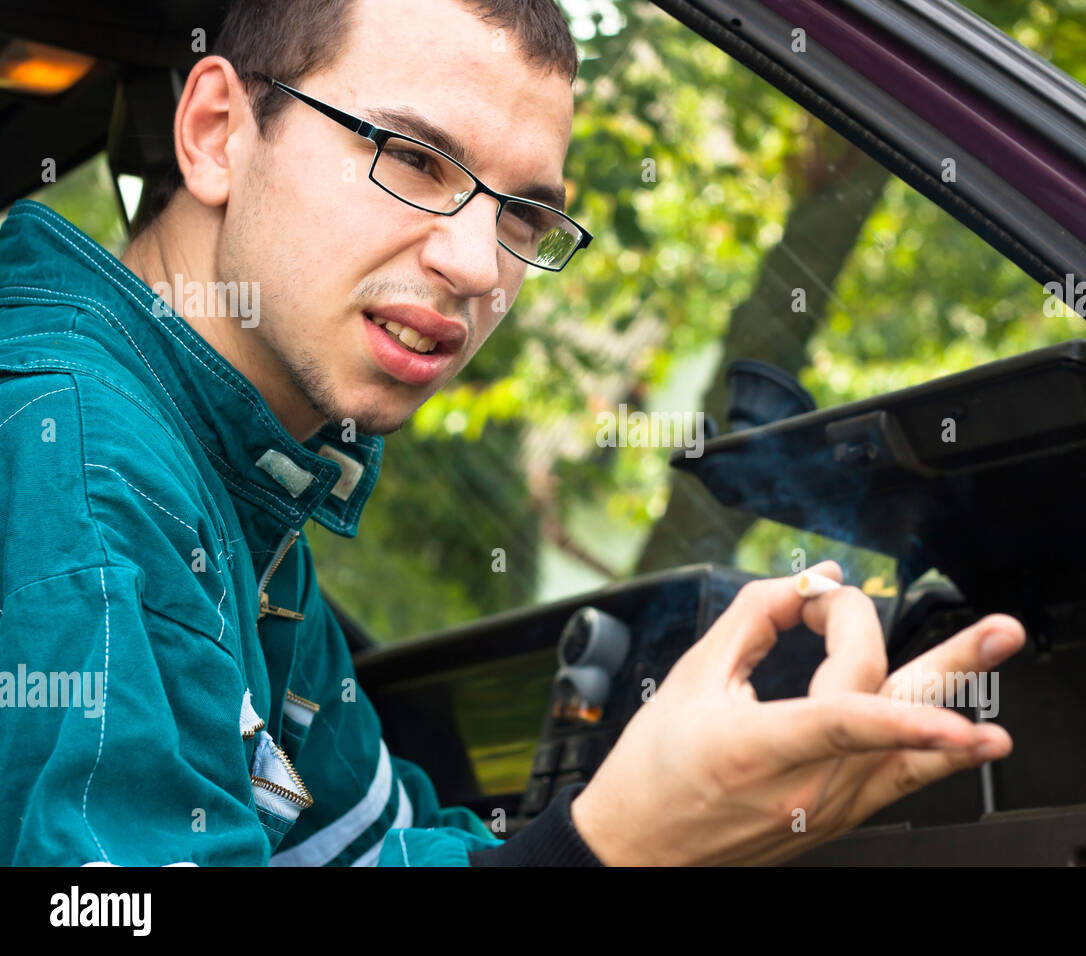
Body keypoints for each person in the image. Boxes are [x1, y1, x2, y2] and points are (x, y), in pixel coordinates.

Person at [0, 0, 1024, 866]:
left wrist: (669, 816)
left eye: (525, 215)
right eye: (412, 157)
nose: (480, 265)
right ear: (219, 131)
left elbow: (367, 849)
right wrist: (615, 843)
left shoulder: (243, 473)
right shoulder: (85, 467)